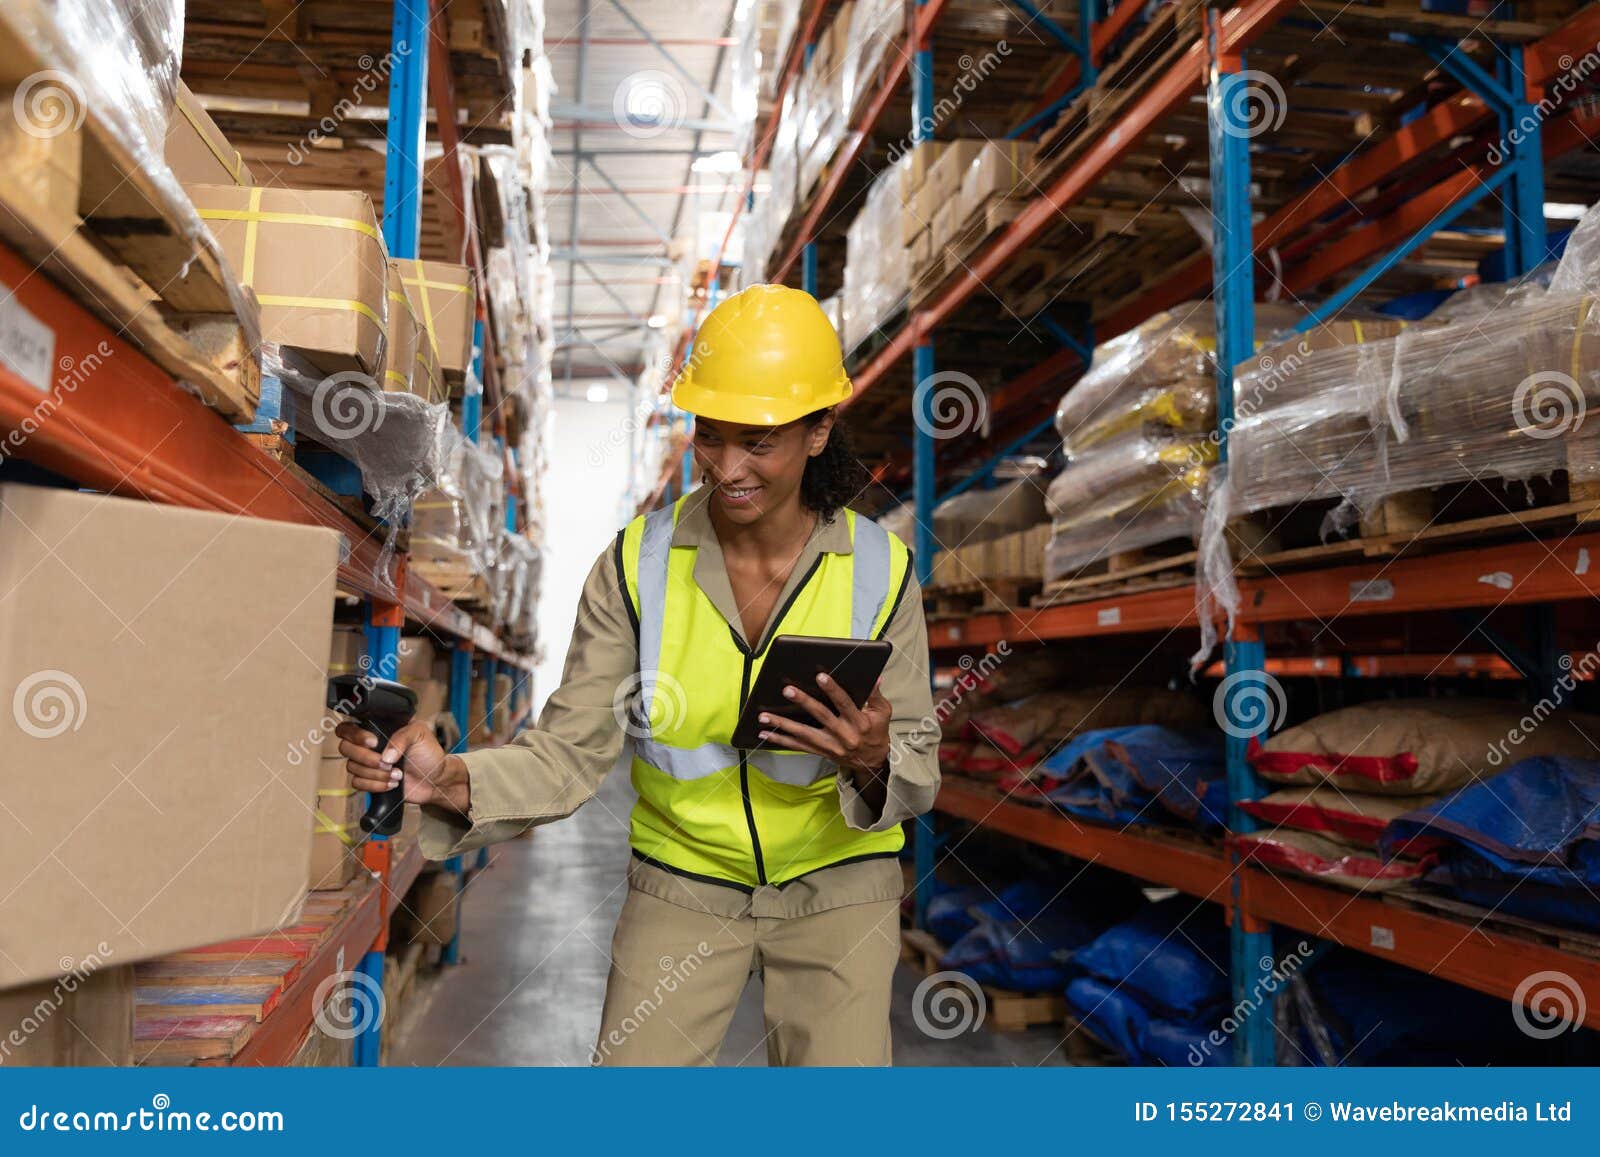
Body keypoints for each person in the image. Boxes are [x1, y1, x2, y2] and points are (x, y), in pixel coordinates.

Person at [338, 284, 939, 1066]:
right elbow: (568, 750)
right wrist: (449, 778)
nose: (727, 469)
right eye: (710, 437)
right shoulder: (636, 565)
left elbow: (920, 759)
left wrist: (873, 760)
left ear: (820, 429)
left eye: (758, 442)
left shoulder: (883, 572)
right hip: (683, 879)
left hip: (837, 882)